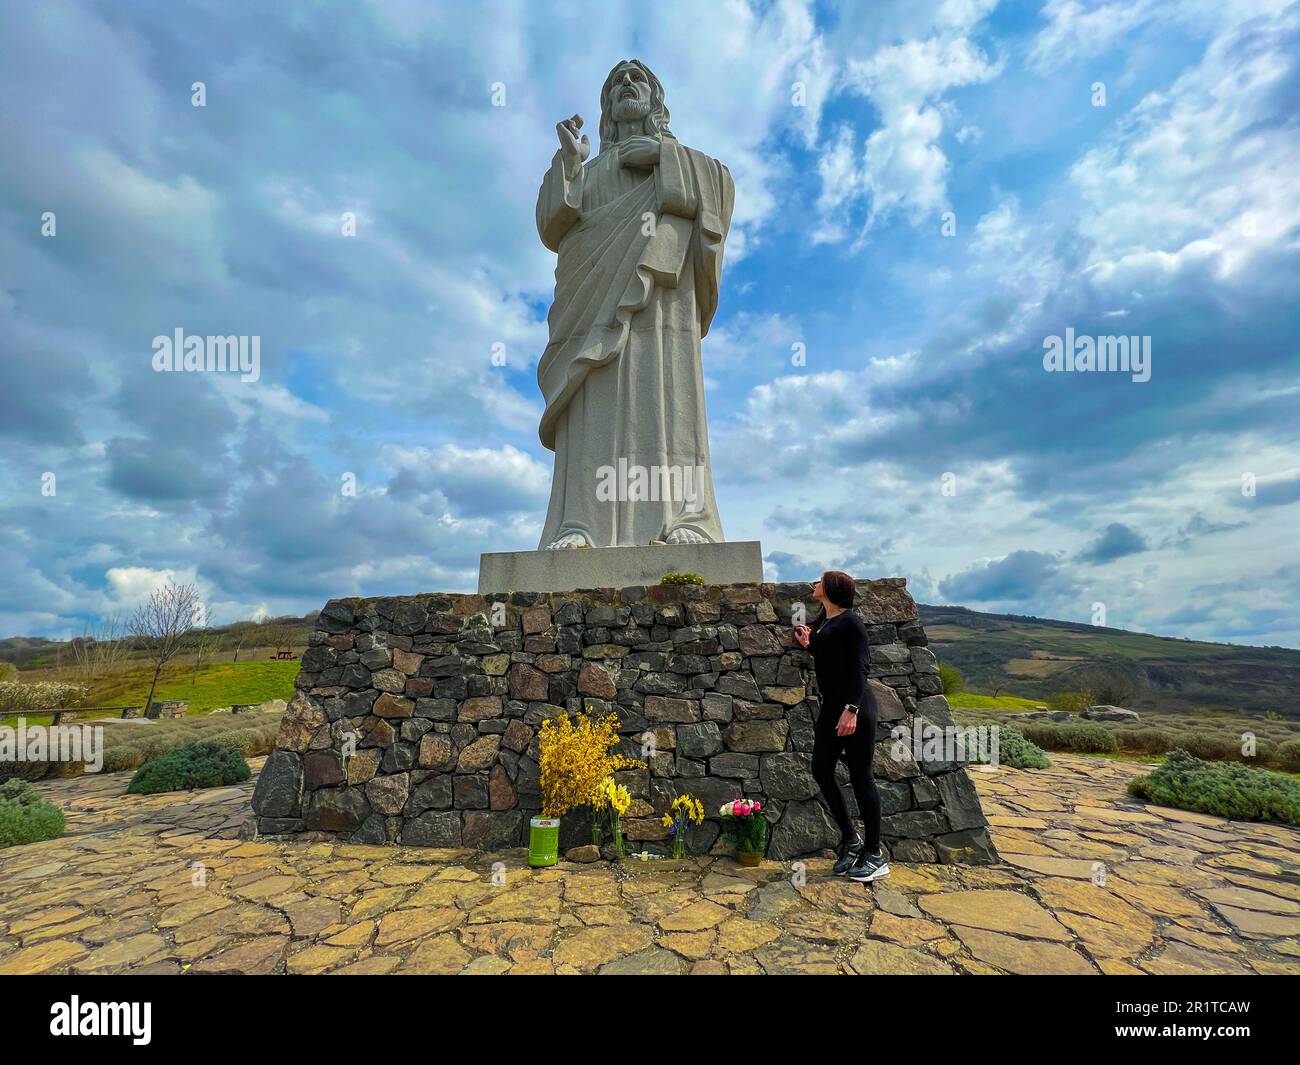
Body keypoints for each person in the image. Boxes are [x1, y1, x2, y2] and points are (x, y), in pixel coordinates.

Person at [794, 571, 888, 883]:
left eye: (819, 581)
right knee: (821, 770)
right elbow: (829, 656)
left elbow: (861, 666)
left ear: (831, 589)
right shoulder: (828, 620)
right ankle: (851, 840)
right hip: (832, 708)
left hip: (855, 708)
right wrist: (810, 643)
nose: (814, 584)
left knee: (862, 778)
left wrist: (852, 709)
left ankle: (874, 855)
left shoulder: (852, 622)